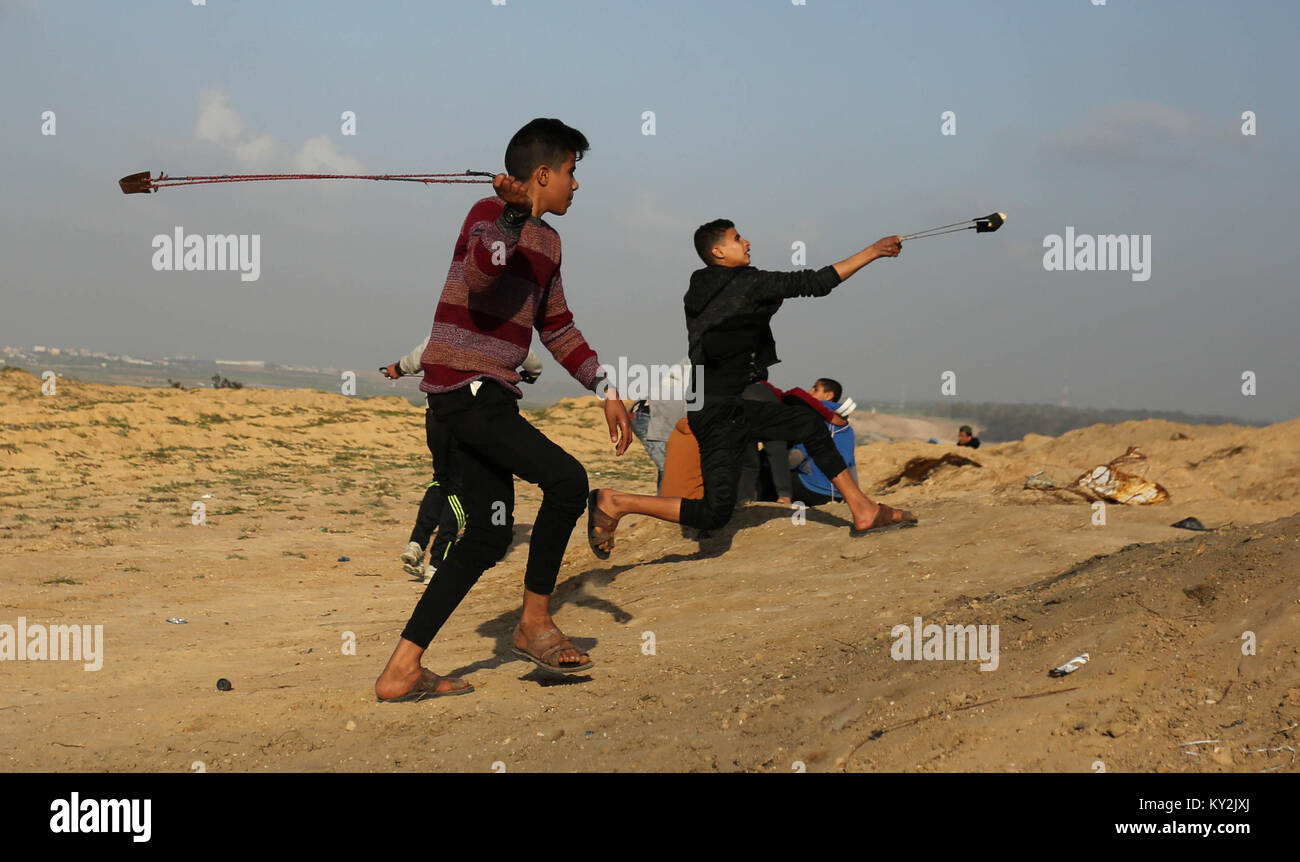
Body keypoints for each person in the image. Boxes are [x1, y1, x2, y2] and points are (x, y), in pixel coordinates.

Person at [374, 118, 633, 702]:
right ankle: (534, 623)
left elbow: (557, 326)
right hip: (466, 391)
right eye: (571, 173)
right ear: (542, 174)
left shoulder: (551, 242)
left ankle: (401, 671)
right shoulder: (485, 217)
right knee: (568, 481)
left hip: (474, 400)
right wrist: (511, 217)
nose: (575, 185)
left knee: (487, 541)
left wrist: (605, 387)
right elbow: (482, 277)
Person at [584, 220, 916, 557]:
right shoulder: (746, 283)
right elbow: (816, 282)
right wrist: (874, 252)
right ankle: (616, 501)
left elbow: (738, 317)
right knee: (715, 513)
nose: (747, 242)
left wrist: (766, 302)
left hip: (721, 407)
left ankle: (864, 510)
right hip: (718, 414)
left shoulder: (701, 286)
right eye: (737, 238)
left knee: (807, 423)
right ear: (718, 252)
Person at [380, 343, 542, 583]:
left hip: (434, 416)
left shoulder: (449, 328)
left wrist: (398, 368)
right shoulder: (502, 334)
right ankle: (437, 563)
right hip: (465, 418)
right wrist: (529, 376)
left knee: (440, 479)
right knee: (460, 488)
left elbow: (420, 354)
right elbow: (532, 364)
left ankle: (416, 543)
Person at [627, 357, 690, 493]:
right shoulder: (700, 361)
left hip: (660, 417)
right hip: (649, 416)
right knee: (669, 468)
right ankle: (665, 509)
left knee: (674, 467)